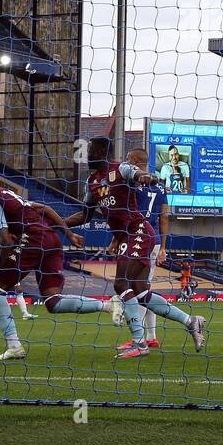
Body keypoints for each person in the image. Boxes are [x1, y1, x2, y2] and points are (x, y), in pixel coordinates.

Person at [65, 136, 206, 359]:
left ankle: (140, 344)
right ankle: (191, 322)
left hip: (139, 230)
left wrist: (146, 177)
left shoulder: (120, 169)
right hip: (127, 237)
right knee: (141, 292)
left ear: (102, 152)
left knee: (121, 284)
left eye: (91, 150)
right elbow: (85, 214)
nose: (87, 155)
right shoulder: (92, 182)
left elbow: (138, 174)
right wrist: (59, 224)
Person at [0, 168, 111, 361]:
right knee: (53, 302)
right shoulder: (8, 193)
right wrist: (68, 234)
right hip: (52, 239)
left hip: (33, 239)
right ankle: (109, 305)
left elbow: (5, 241)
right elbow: (46, 209)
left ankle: (14, 346)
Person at [126, 148, 169, 350]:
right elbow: (165, 217)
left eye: (128, 159)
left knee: (138, 289)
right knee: (145, 287)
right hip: (155, 240)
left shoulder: (133, 184)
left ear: (135, 161)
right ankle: (150, 336)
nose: (126, 162)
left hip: (140, 238)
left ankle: (141, 337)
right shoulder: (160, 186)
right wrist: (164, 247)